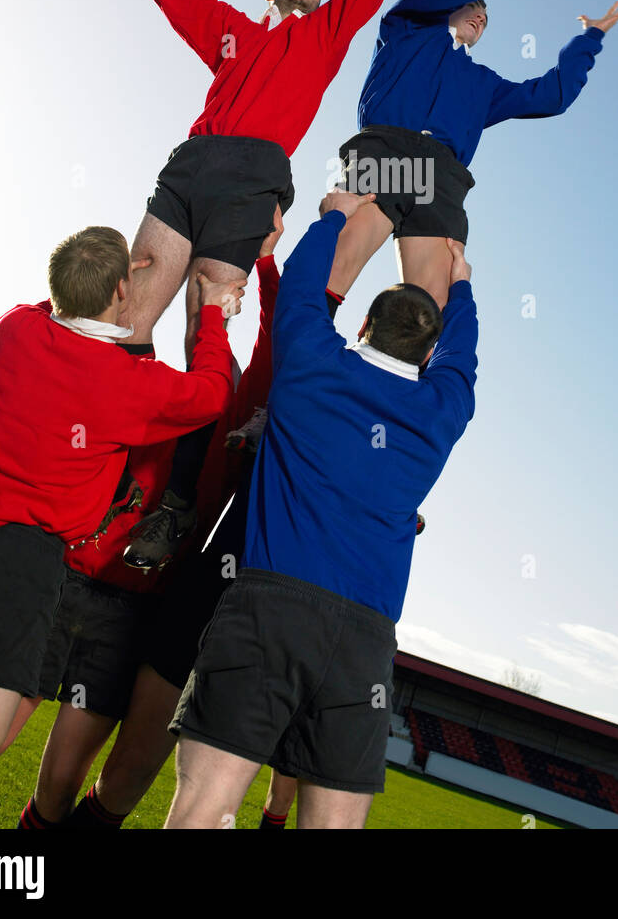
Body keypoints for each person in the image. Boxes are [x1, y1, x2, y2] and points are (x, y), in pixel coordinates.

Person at [66, 0, 462, 566]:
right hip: (189, 167)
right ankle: (106, 474)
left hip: (255, 178)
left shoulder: (326, 38)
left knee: (203, 337)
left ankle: (173, 508)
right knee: (125, 321)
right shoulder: (228, 33)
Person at [0, 225, 238, 827]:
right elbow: (211, 394)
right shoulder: (127, 383)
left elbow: (49, 304)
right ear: (122, 292)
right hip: (19, 562)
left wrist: (97, 278)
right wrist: (213, 315)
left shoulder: (16, 329)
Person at [165, 189, 478, 830]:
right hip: (364, 643)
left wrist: (334, 214)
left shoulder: (309, 361)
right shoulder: (442, 411)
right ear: (427, 357)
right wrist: (462, 287)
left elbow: (306, 287)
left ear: (362, 327)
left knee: (203, 809)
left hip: (269, 609)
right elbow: (463, 358)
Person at [0, 213, 283, 832]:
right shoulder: (138, 380)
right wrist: (102, 279)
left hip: (128, 613)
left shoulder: (229, 424)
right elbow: (74, 324)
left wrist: (264, 263)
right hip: (61, 574)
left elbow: (272, 349)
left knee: (59, 784)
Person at [323, 0, 618, 311]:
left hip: (443, 173)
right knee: (336, 268)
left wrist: (590, 39)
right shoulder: (408, 24)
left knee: (427, 311)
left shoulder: (484, 84)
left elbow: (552, 96)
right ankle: (289, 362)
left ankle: (394, 364)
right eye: (472, 6)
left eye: (485, 17)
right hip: (388, 150)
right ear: (449, 8)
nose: (480, 16)